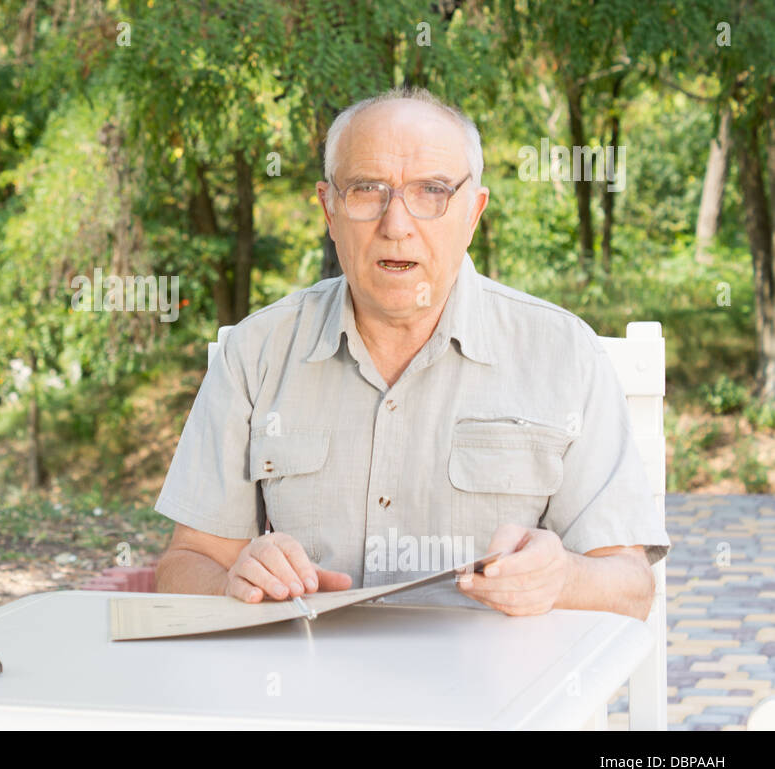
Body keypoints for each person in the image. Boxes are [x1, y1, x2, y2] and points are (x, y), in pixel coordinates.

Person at [153, 87, 669, 619]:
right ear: (329, 210)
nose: (396, 225)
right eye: (366, 190)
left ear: (474, 212)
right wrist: (235, 584)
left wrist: (561, 578)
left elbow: (631, 587)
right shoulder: (256, 351)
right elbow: (185, 564)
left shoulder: (563, 353)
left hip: (498, 691)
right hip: (309, 688)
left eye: (432, 191)